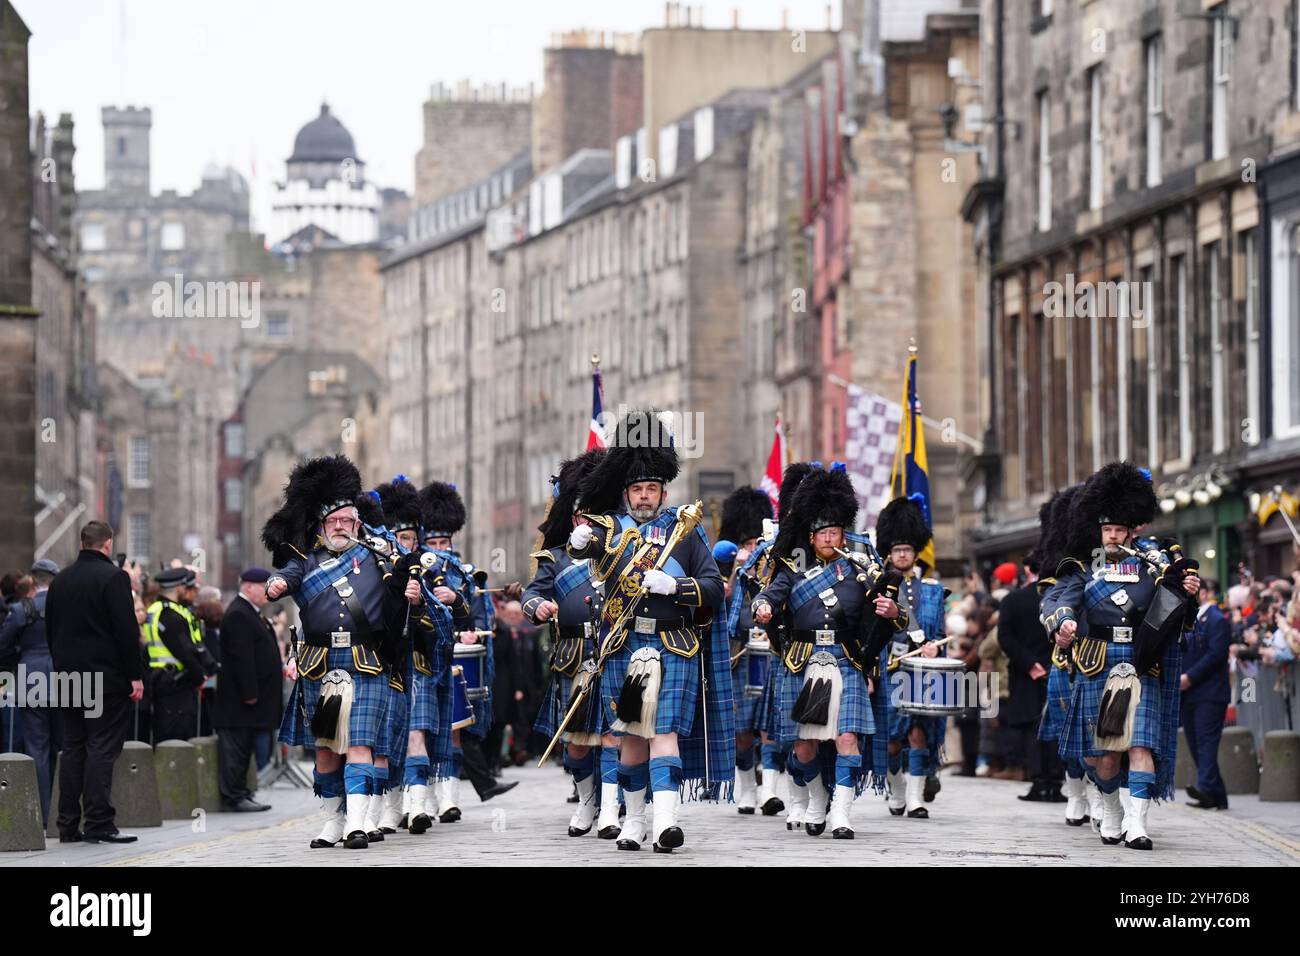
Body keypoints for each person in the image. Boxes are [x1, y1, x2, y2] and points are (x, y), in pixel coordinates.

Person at [568, 409, 735, 853]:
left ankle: (665, 822)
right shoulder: (609, 529)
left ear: (663, 491)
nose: (645, 497)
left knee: (664, 732)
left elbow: (714, 588)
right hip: (625, 643)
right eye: (638, 489)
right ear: (627, 493)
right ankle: (634, 819)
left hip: (672, 644)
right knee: (630, 735)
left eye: (652, 489)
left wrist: (675, 585)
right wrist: (578, 543)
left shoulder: (685, 531)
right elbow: (579, 546)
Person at [266, 455, 425, 849]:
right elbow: (286, 575)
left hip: (365, 662)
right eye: (333, 521)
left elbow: (405, 592)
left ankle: (357, 822)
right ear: (321, 526)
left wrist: (412, 592)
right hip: (320, 664)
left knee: (359, 744)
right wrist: (276, 586)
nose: (341, 527)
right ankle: (331, 822)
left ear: (358, 522)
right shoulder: (305, 561)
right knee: (325, 750)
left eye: (347, 521)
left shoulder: (378, 555)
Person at [1041, 461, 1199, 850]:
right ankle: (1110, 807)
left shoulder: (1156, 563)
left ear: (1133, 528)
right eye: (1107, 529)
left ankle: (1137, 824)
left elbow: (1177, 610)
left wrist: (1189, 591)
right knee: (1107, 756)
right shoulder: (1081, 566)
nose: (1113, 536)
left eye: (1119, 529)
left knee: (1141, 745)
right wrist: (1062, 624)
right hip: (1100, 662)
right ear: (1098, 529)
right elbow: (1060, 601)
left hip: (1143, 662)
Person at [753, 465, 904, 839]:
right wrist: (763, 605)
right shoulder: (792, 569)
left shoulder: (862, 567)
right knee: (803, 746)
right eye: (823, 533)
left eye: (835, 531)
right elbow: (770, 593)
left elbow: (884, 614)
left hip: (846, 658)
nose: (830, 538)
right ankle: (817, 798)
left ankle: (841, 812)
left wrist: (892, 610)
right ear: (811, 535)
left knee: (847, 738)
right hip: (803, 660)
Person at [524, 448, 619, 837]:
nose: (589, 522)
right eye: (584, 514)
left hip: (616, 653)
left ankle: (612, 808)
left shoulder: (624, 554)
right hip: (573, 656)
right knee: (578, 743)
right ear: (575, 516)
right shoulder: (555, 557)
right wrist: (539, 606)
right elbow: (531, 593)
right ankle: (586, 801)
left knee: (614, 736)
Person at [417, 479, 518, 823]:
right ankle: (424, 799)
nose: (440, 548)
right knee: (423, 733)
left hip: (455, 660)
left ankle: (448, 800)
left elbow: (473, 613)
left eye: (445, 541)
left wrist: (466, 620)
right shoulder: (413, 571)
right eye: (433, 542)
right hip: (421, 657)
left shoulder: (462, 573)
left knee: (454, 729)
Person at [45, 521, 145, 844]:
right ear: (107, 545)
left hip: (69, 678)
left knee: (72, 748)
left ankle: (68, 824)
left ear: (82, 543)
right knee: (101, 748)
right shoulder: (115, 578)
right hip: (106, 680)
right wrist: (135, 675)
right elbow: (126, 631)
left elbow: (52, 631)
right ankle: (100, 822)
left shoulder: (60, 581)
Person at [877, 495, 949, 819]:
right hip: (891, 669)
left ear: (916, 552)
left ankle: (917, 799)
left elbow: (940, 631)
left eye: (907, 549)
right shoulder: (878, 587)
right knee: (892, 740)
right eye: (897, 550)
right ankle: (897, 789)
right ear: (889, 554)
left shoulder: (934, 590)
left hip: (923, 670)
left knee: (919, 735)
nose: (902, 555)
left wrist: (937, 647)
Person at [716, 486, 776, 815]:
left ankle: (769, 790)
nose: (751, 549)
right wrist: (726, 583)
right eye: (746, 543)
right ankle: (747, 788)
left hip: (768, 651)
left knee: (768, 725)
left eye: (756, 542)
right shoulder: (724, 567)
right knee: (741, 730)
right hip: (738, 652)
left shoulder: (773, 565)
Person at [998, 551, 1066, 802]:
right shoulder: (1062, 598)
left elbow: (1005, 638)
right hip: (1057, 667)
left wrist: (1030, 664)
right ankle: (1055, 782)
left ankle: (1039, 781)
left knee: (1033, 729)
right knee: (1056, 725)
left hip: (1027, 672)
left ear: (1027, 569)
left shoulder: (1012, 600)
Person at [213, 568, 281, 813]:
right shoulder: (239, 614)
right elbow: (242, 658)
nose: (267, 592)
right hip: (240, 701)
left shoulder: (251, 613)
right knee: (236, 750)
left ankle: (242, 791)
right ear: (249, 587)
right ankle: (233, 795)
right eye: (264, 586)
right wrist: (250, 693)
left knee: (245, 749)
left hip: (251, 701)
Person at [0, 559, 61, 822]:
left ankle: (43, 813)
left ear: (33, 581)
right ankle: (66, 811)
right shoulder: (68, 608)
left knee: (37, 746)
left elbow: (3, 645)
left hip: (31, 676)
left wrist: (17, 660)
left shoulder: (21, 609)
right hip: (67, 676)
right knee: (66, 745)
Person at [141, 566, 216, 742]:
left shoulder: (156, 609)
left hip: (163, 680)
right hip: (174, 684)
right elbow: (185, 652)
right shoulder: (171, 616)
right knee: (175, 740)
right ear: (178, 588)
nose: (189, 591)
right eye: (186, 587)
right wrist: (200, 677)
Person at [1180, 578, 1231, 811]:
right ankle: (1216, 794)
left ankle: (1206, 787)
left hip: (1210, 693)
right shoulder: (1191, 619)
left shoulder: (1217, 620)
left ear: (1208, 593)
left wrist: (1189, 677)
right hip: (1189, 694)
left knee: (1206, 743)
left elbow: (1215, 655)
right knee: (1195, 742)